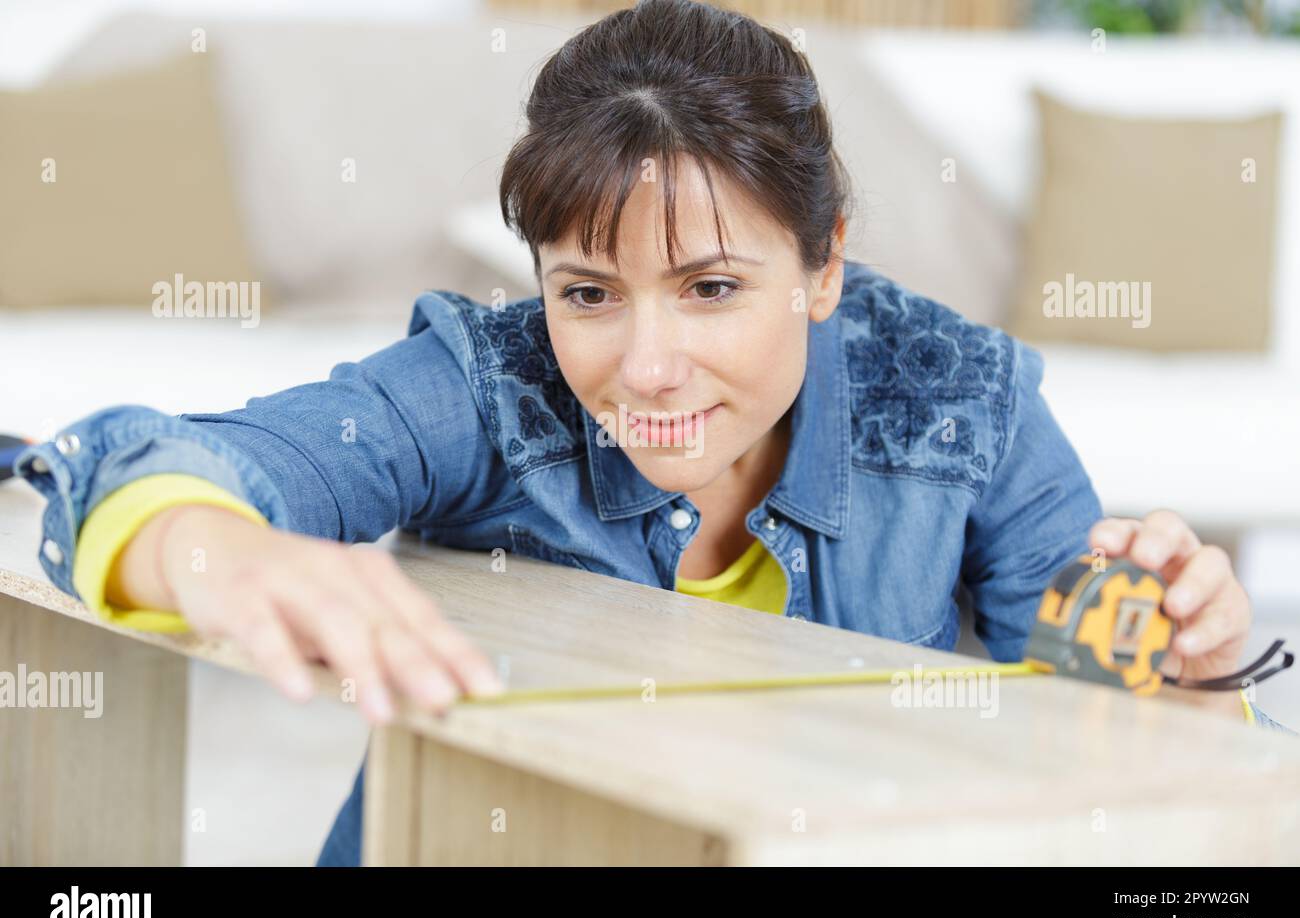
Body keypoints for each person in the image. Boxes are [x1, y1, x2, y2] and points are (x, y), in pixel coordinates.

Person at [14, 0, 1288, 868]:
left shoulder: (956, 398)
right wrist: (216, 549)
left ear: (826, 262)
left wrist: (1182, 687)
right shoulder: (490, 383)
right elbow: (145, 463)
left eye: (714, 287)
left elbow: (1095, 763)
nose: (645, 364)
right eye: (587, 291)